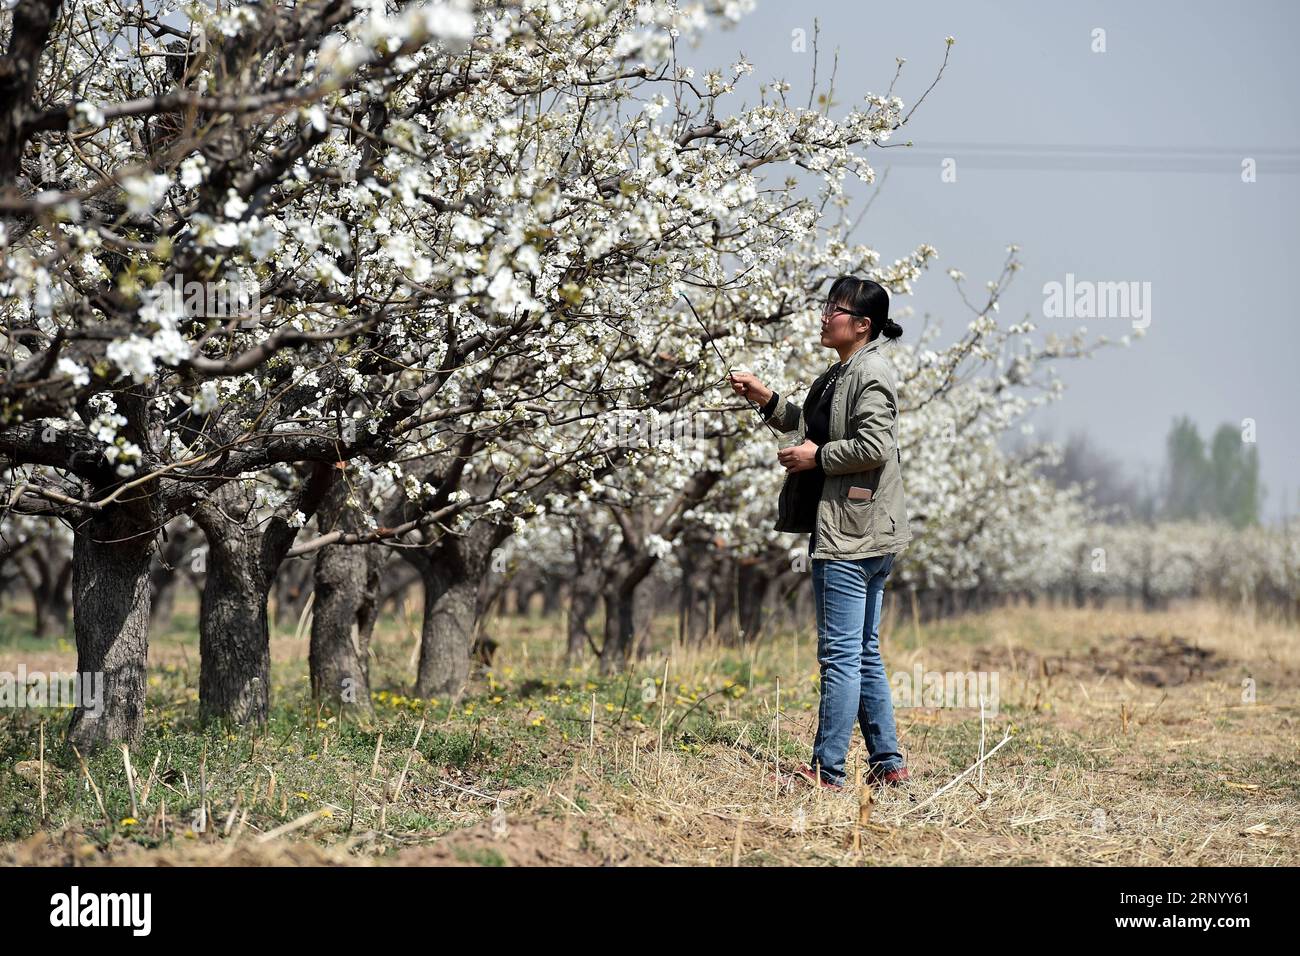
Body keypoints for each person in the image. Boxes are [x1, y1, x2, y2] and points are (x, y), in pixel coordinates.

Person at [728, 276, 912, 790]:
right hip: (865, 531)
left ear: (862, 324)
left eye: (837, 308)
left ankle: (827, 772)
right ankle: (888, 764)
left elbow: (873, 445)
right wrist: (766, 399)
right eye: (827, 305)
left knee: (839, 656)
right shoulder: (841, 373)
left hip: (850, 535)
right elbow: (814, 426)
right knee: (863, 651)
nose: (825, 314)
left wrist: (816, 459)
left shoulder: (870, 373)